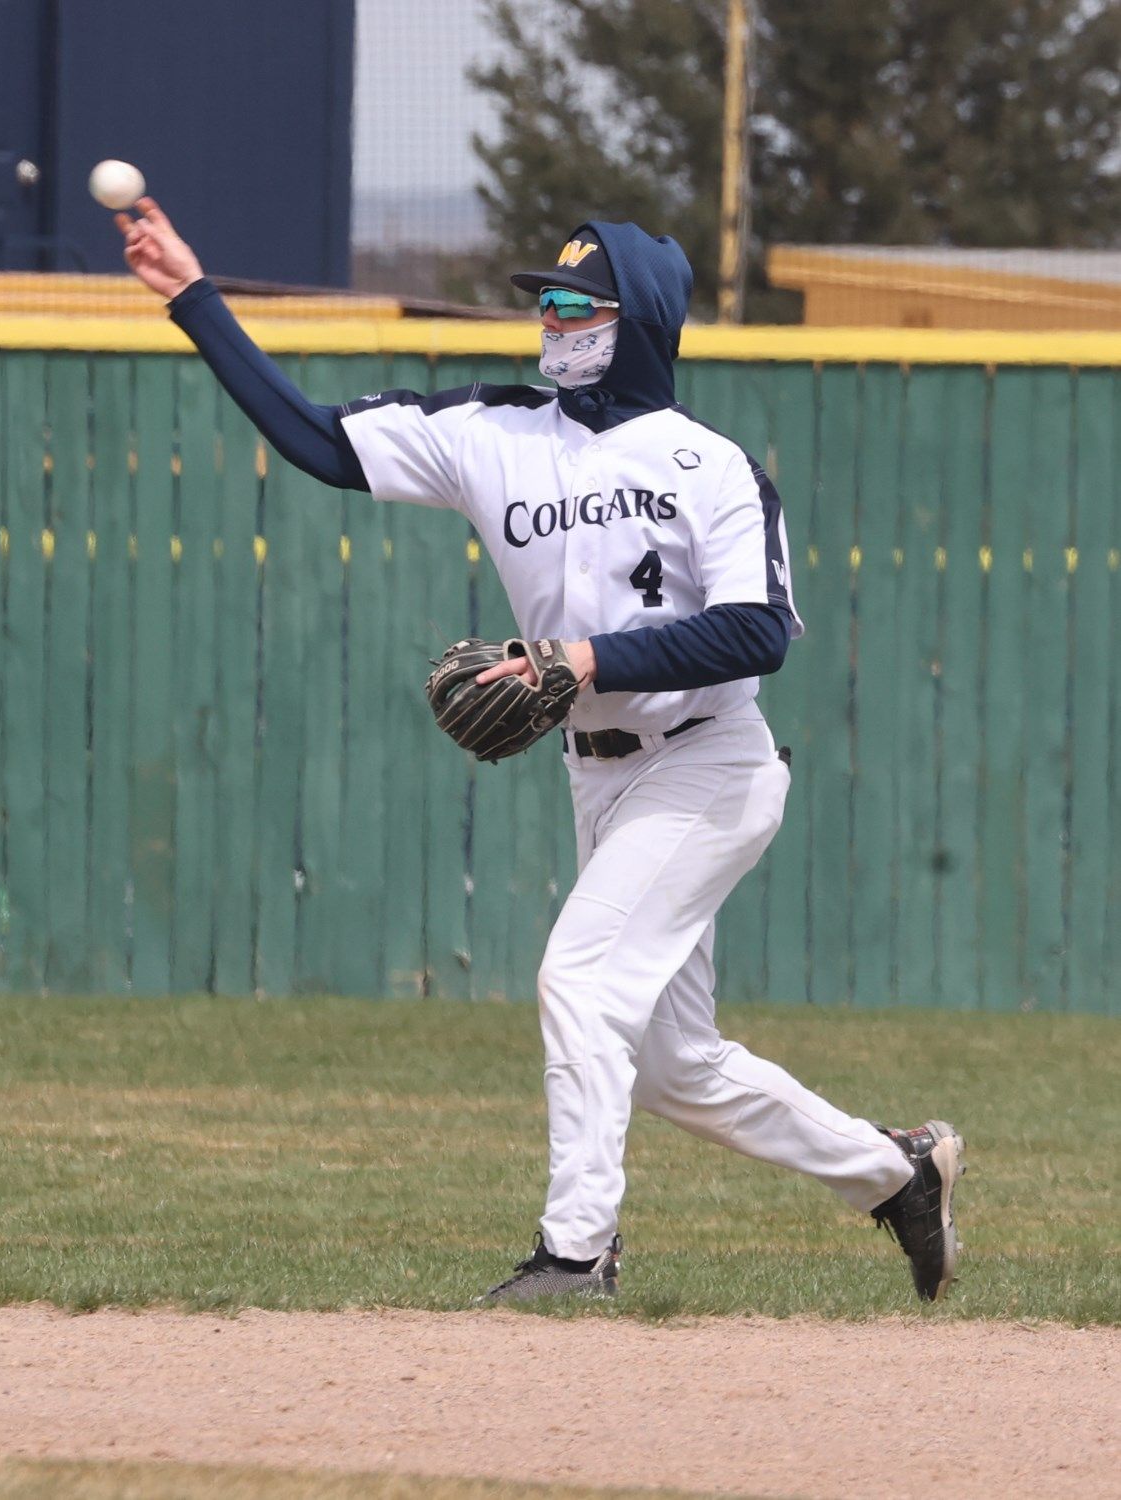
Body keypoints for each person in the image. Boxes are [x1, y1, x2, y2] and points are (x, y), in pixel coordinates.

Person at [116, 200, 965, 1304]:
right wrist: (192, 298)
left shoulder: (708, 466)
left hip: (708, 762)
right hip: (599, 776)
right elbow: (318, 440)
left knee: (576, 975)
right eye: (544, 303)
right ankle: (894, 1176)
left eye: (575, 304)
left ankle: (575, 1254)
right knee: (669, 1064)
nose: (550, 321)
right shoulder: (494, 431)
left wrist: (580, 655)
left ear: (637, 321)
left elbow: (757, 631)